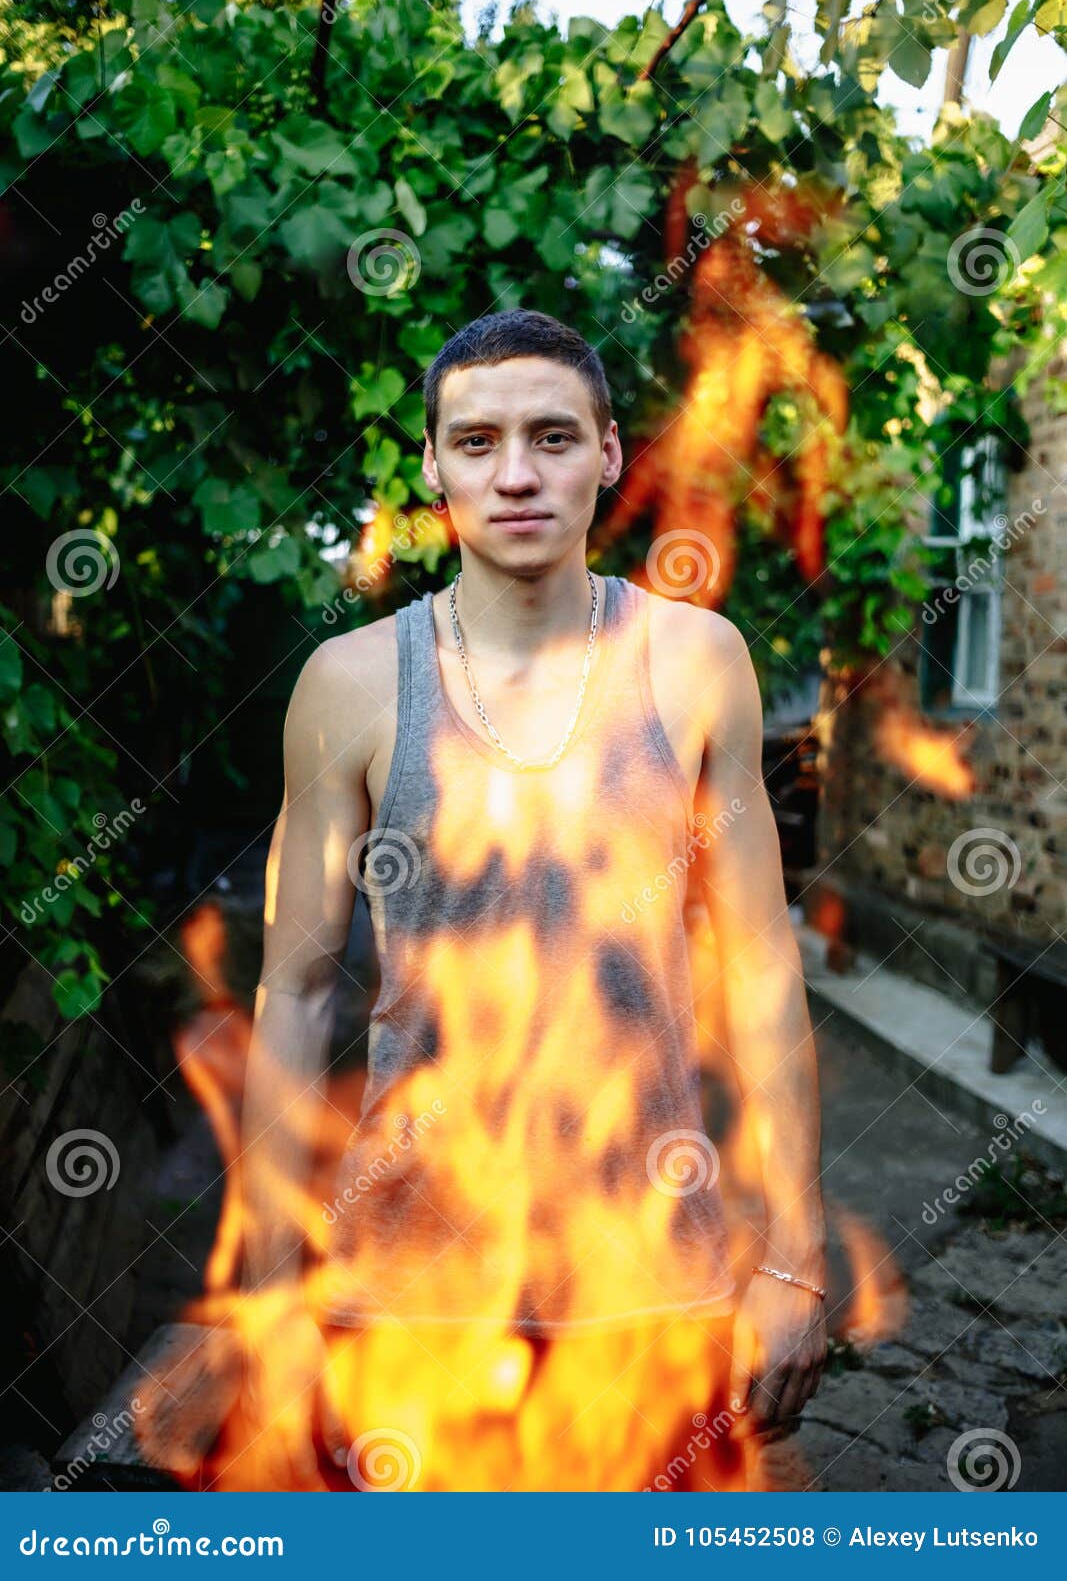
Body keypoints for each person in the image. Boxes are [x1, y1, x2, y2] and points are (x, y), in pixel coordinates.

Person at [239, 308, 827, 1489]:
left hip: (648, 1278)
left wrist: (797, 1259)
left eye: (553, 437)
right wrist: (267, 1298)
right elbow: (294, 991)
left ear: (607, 454)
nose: (515, 474)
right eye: (476, 442)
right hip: (408, 1286)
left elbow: (761, 964)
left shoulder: (695, 662)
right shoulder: (349, 685)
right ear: (430, 465)